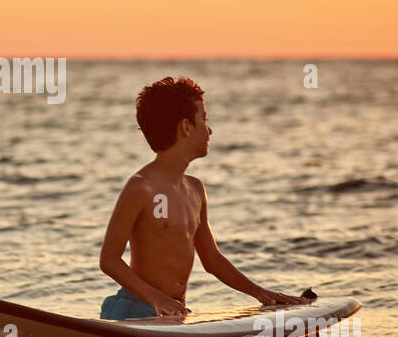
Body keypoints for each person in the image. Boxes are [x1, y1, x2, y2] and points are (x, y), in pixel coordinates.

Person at [99, 76, 304, 319]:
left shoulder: (195, 189)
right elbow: (109, 259)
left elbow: (212, 260)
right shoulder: (141, 188)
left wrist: (261, 294)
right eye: (204, 119)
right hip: (136, 308)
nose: (210, 130)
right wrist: (156, 298)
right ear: (186, 127)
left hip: (172, 311)